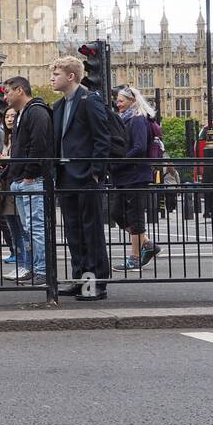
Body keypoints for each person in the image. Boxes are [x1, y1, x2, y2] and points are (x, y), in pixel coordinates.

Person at [50, 56, 111, 300]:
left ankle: (97, 284)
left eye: (56, 74)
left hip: (86, 176)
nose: (52, 78)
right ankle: (80, 279)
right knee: (73, 231)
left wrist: (96, 172)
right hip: (65, 176)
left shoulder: (89, 100)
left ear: (71, 76)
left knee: (91, 231)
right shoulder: (58, 105)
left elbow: (102, 137)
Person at [2, 76, 52, 283]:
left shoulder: (37, 111)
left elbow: (38, 144)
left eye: (8, 92)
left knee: (36, 226)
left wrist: (30, 173)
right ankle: (33, 267)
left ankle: (43, 270)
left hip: (32, 179)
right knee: (28, 228)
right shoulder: (24, 113)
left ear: (20, 90)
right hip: (22, 178)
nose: (5, 96)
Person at [111, 87, 161, 272]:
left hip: (136, 174)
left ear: (132, 101)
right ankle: (148, 244)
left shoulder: (138, 119)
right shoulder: (124, 119)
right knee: (117, 213)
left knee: (135, 217)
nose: (118, 103)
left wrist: (120, 162)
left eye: (121, 100)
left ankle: (135, 258)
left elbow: (139, 148)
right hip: (124, 176)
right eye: (117, 100)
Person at [0, 107, 23, 264]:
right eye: (7, 116)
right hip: (6, 184)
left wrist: (6, 158)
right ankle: (17, 253)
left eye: (13, 116)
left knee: (21, 224)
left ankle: (24, 258)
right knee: (11, 223)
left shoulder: (19, 137)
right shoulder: (5, 138)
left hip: (17, 181)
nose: (9, 119)